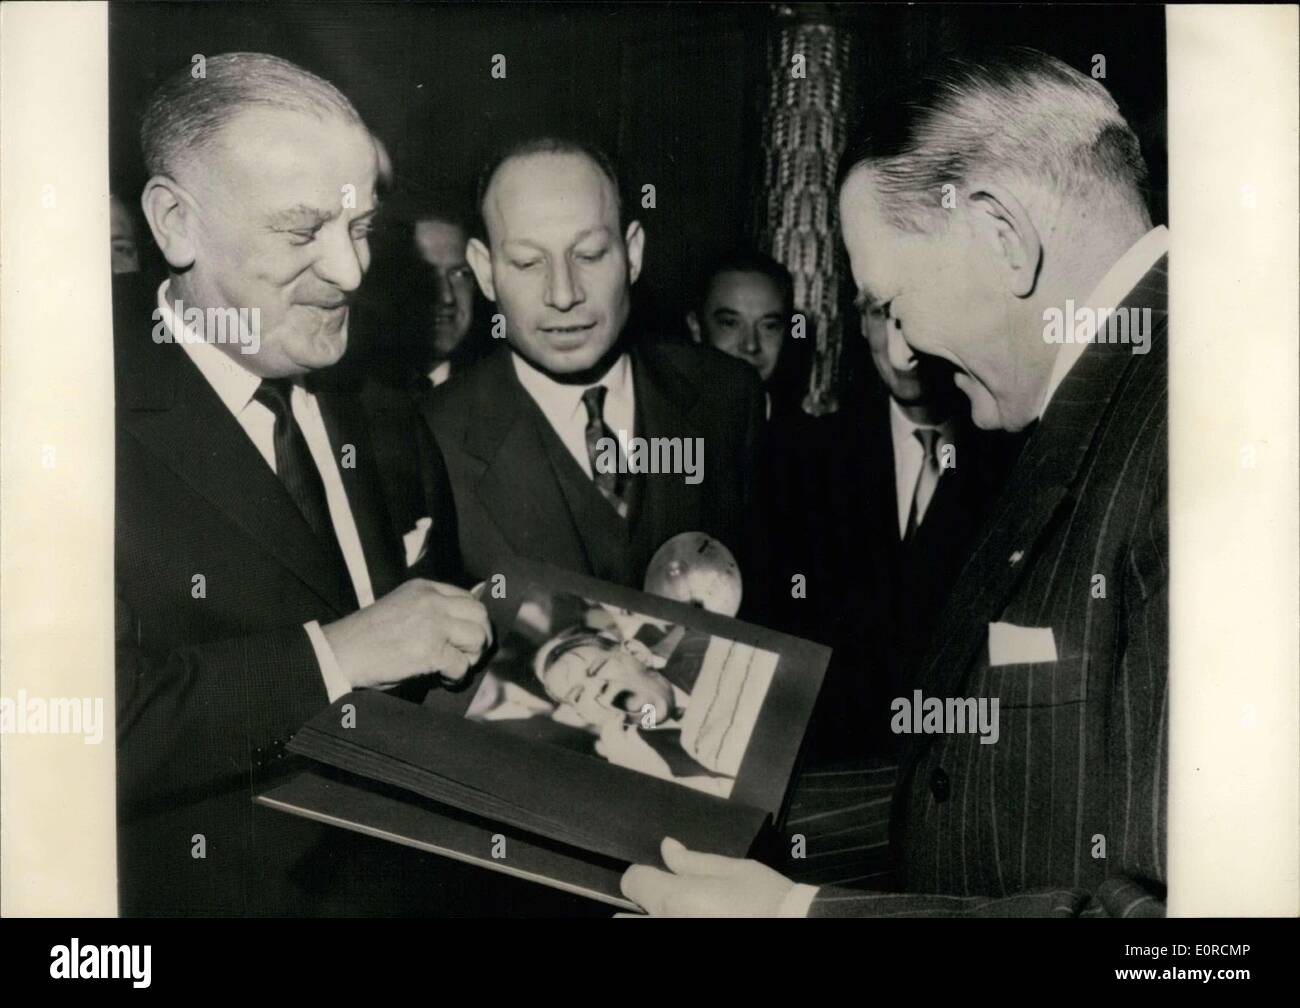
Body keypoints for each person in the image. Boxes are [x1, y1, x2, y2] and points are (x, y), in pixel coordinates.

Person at [622, 47, 1168, 917]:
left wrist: (794, 917)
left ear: (1004, 240)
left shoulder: (1188, 424)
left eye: (894, 298)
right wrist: (722, 826)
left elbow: (1178, 951)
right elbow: (994, 792)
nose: (902, 350)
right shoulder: (1109, 402)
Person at [117, 52, 491, 915]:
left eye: (360, 229)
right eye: (300, 231)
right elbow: (87, 727)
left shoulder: (381, 404)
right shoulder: (67, 418)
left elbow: (434, 626)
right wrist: (339, 656)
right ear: (175, 224)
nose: (352, 274)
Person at [427, 137, 765, 591]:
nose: (564, 295)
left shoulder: (727, 396)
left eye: (588, 255)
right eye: (528, 263)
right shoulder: (432, 435)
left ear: (633, 254)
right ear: (485, 270)